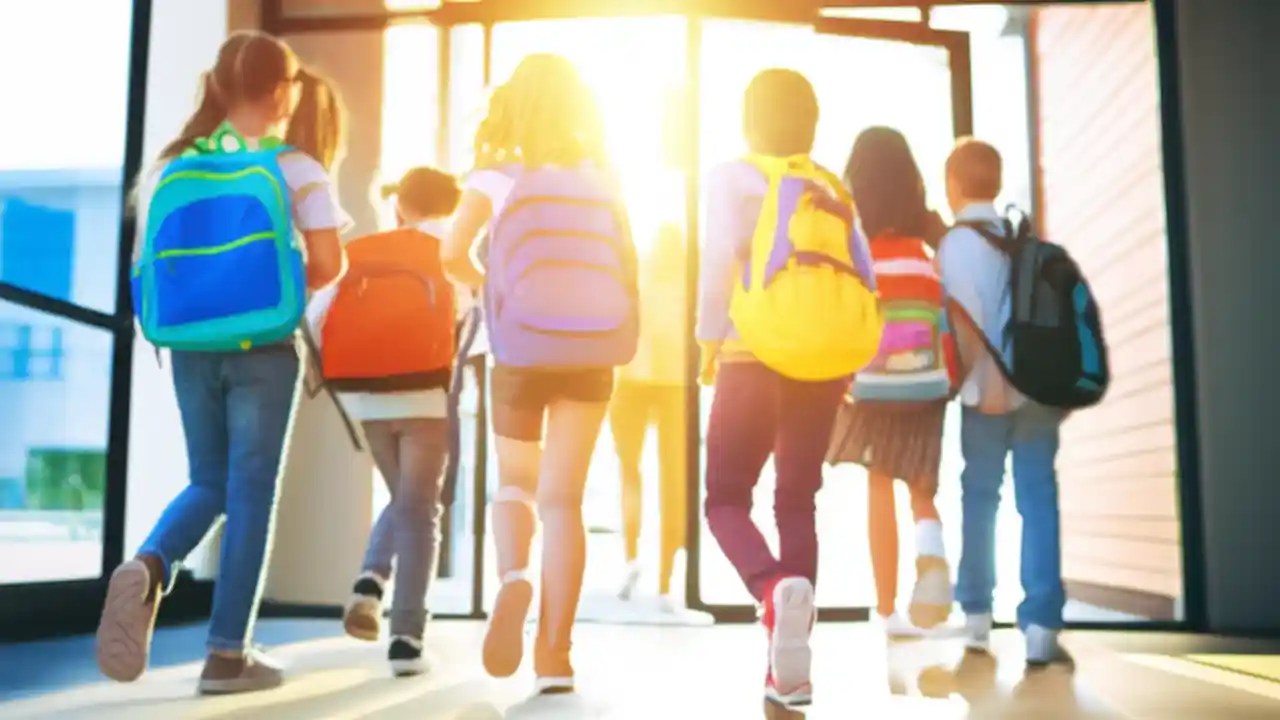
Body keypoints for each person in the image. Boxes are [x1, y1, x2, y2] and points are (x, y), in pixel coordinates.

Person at [95, 32, 349, 695]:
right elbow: (327, 266)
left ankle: (151, 563)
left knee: (207, 478)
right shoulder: (296, 166)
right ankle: (227, 654)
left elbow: (149, 265)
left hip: (187, 347)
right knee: (249, 495)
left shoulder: (173, 166)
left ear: (216, 86)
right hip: (263, 351)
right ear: (284, 93)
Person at [444, 54, 637, 696]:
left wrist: (495, 288)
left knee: (517, 484)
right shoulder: (602, 178)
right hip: (591, 353)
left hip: (521, 351)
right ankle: (556, 656)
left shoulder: (497, 175)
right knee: (565, 503)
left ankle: (511, 577)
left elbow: (452, 254)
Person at [698, 69, 868, 707]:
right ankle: (790, 671)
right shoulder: (828, 185)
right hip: (821, 362)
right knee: (797, 502)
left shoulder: (731, 177)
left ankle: (772, 591)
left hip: (750, 353)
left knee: (724, 500)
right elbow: (858, 272)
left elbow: (718, 260)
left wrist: (708, 341)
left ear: (748, 118)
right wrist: (846, 360)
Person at [320, 166, 462, 677]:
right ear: (455, 204)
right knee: (420, 510)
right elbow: (472, 316)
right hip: (427, 394)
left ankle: (370, 583)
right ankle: (406, 638)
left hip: (371, 399)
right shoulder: (456, 248)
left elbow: (318, 316)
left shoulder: (365, 249)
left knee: (406, 501)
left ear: (402, 204)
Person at [936, 138, 1070, 666]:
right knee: (1037, 499)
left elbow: (963, 325)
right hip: (1037, 393)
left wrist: (972, 386)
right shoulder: (1024, 237)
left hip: (984, 392)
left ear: (952, 185)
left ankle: (975, 618)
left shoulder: (955, 245)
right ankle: (1041, 625)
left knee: (980, 498)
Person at [828, 127, 958, 637]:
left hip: (871, 383)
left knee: (878, 483)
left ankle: (887, 612)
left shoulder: (855, 249)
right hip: (925, 381)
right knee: (921, 487)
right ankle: (932, 553)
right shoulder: (926, 252)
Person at [612, 86, 690, 609]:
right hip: (673, 386)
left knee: (631, 473)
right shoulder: (686, 283)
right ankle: (663, 571)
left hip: (632, 386)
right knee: (674, 480)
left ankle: (636, 559)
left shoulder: (635, 279)